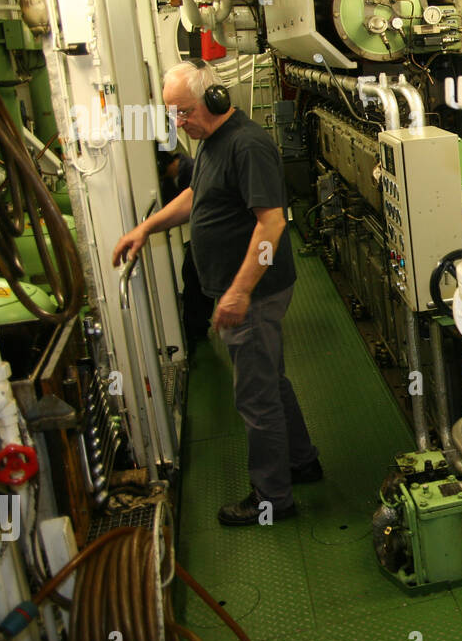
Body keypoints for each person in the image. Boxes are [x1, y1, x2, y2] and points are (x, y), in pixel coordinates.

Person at [113, 60, 322, 525]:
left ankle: (272, 499)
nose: (179, 123)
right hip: (243, 291)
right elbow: (196, 197)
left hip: (255, 293)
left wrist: (239, 292)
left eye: (184, 112)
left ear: (215, 99)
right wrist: (146, 228)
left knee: (255, 397)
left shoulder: (247, 146)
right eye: (172, 115)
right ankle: (301, 460)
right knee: (271, 380)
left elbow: (273, 223)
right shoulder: (211, 142)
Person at [156, 146, 213, 352]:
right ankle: (196, 325)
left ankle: (196, 326)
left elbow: (189, 205)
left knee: (194, 274)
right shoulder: (173, 177)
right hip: (201, 232)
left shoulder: (191, 170)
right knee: (191, 274)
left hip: (210, 231)